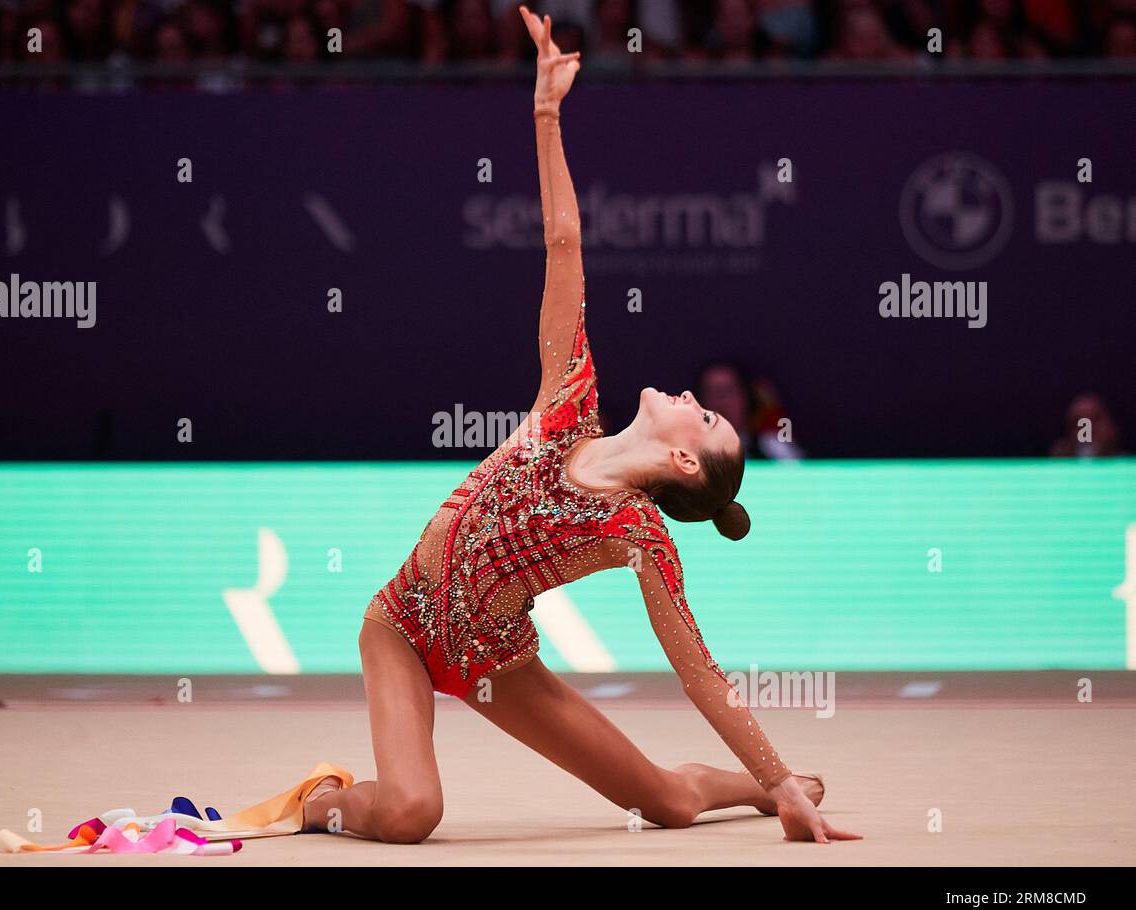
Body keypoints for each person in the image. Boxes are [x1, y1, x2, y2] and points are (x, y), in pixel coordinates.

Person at [301, 4, 859, 846]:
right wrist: (545, 113)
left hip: (499, 663)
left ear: (680, 456)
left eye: (703, 417)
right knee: (412, 812)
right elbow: (564, 244)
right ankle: (324, 802)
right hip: (404, 622)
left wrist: (779, 779)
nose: (691, 396)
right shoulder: (568, 402)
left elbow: (697, 668)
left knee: (666, 805)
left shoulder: (637, 531)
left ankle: (752, 789)